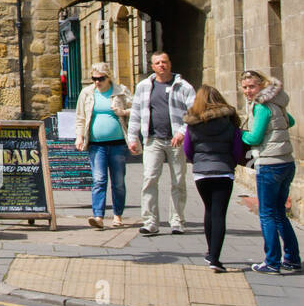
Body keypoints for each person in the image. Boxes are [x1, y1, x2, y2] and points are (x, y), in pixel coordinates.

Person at [127, 51, 196, 236]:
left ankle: (177, 221)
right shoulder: (144, 86)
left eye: (164, 62)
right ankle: (150, 221)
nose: (161, 65)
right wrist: (132, 138)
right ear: (152, 66)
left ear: (170, 64)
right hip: (153, 139)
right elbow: (136, 112)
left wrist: (182, 132)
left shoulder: (183, 86)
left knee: (179, 181)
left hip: (176, 141)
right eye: (157, 63)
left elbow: (194, 112)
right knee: (149, 179)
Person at [240, 70, 300, 274]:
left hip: (269, 164)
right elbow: (289, 122)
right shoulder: (278, 102)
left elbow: (255, 138)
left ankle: (272, 261)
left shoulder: (261, 106)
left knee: (266, 214)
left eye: (252, 86)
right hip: (286, 162)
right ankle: (292, 258)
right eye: (245, 87)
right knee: (280, 213)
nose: (248, 91)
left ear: (261, 85)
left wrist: (242, 135)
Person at [181, 86, 244, 273]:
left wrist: (196, 162)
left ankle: (210, 252)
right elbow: (238, 148)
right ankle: (215, 258)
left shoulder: (192, 123)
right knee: (219, 213)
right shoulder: (230, 121)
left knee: (209, 210)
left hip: (201, 173)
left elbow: (187, 149)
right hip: (223, 170)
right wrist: (231, 163)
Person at [74, 62, 132, 229]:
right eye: (94, 78)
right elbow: (80, 117)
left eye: (100, 78)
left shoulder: (120, 91)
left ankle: (117, 215)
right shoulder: (87, 93)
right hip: (96, 144)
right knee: (99, 180)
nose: (97, 82)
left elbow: (136, 108)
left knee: (118, 181)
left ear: (108, 77)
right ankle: (98, 216)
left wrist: (123, 112)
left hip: (118, 143)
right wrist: (79, 136)